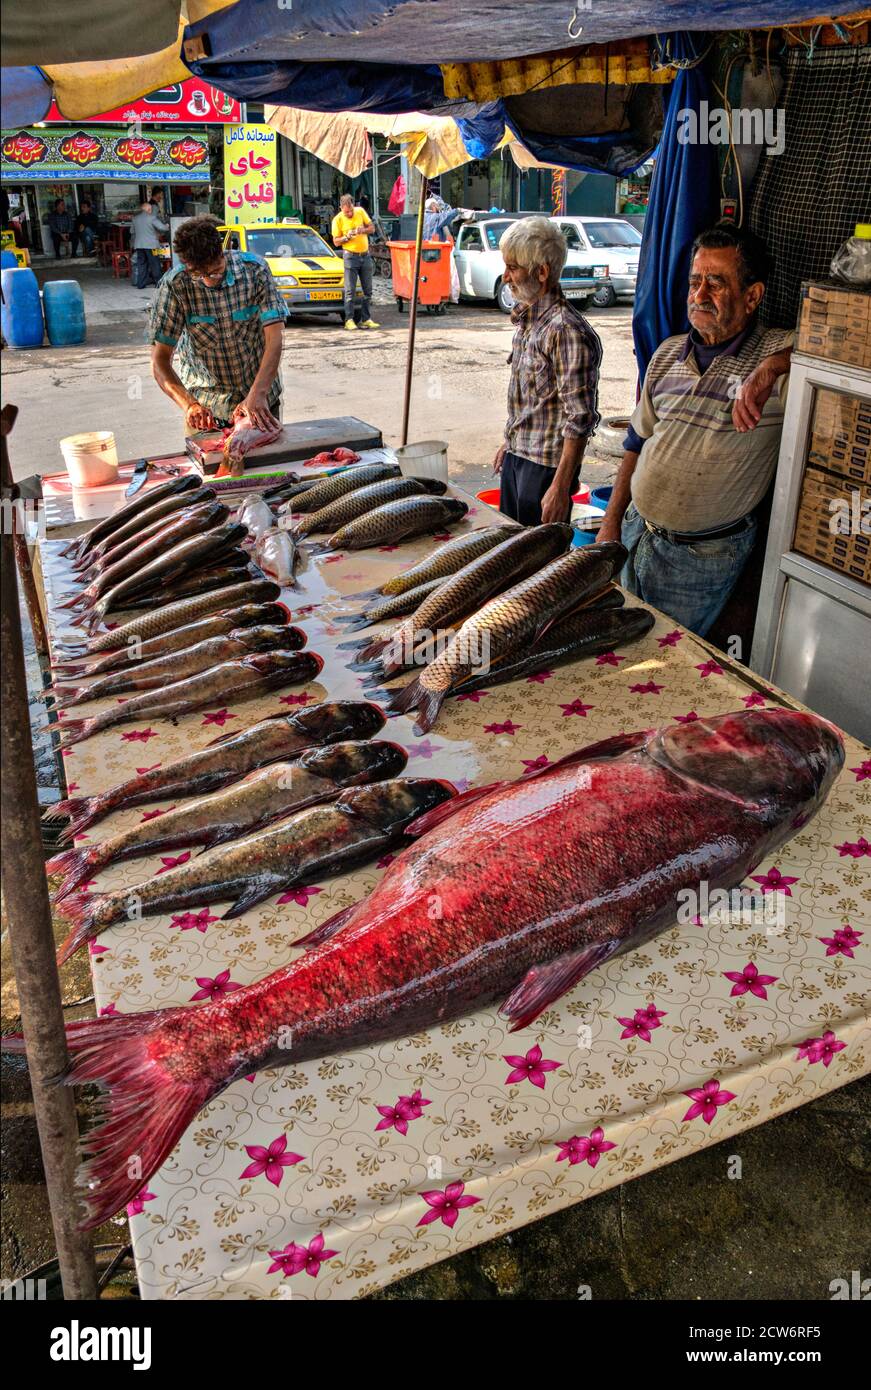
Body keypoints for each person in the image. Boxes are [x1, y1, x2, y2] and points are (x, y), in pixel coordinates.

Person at [596, 223, 793, 637]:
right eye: (695, 281)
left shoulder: (775, 358)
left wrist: (773, 367)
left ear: (752, 296)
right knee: (616, 646)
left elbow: (842, 347)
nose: (699, 295)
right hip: (635, 532)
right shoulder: (667, 353)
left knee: (667, 664)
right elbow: (636, 443)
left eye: (716, 283)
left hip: (702, 557)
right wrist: (611, 521)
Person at [493, 217, 602, 525]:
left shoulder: (566, 331)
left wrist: (560, 486)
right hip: (519, 458)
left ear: (541, 272)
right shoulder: (530, 322)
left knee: (538, 566)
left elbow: (578, 419)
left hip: (545, 471)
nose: (506, 277)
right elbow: (536, 403)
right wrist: (510, 442)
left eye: (513, 267)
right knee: (509, 553)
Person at [149, 214, 285, 433]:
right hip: (208, 410)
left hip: (260, 401)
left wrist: (257, 394)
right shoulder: (175, 284)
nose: (207, 280)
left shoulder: (255, 271)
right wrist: (189, 405)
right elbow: (160, 359)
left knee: (266, 464)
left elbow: (275, 338)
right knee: (211, 464)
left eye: (215, 271)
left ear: (225, 251)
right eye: (198, 274)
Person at [331, 192, 379, 331]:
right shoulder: (337, 220)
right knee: (350, 290)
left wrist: (362, 230)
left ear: (354, 205)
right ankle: (349, 319)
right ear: (341, 208)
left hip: (365, 255)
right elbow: (336, 241)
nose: (350, 213)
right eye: (347, 212)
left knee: (368, 290)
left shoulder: (360, 211)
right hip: (350, 256)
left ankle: (366, 319)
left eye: (351, 210)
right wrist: (346, 237)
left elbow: (372, 228)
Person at [131, 199, 169, 287]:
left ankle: (140, 284)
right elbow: (162, 228)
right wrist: (167, 226)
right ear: (148, 210)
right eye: (151, 209)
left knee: (141, 264)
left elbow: (132, 231)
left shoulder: (135, 218)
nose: (151, 210)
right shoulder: (152, 218)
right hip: (151, 245)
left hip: (139, 245)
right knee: (154, 263)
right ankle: (158, 283)